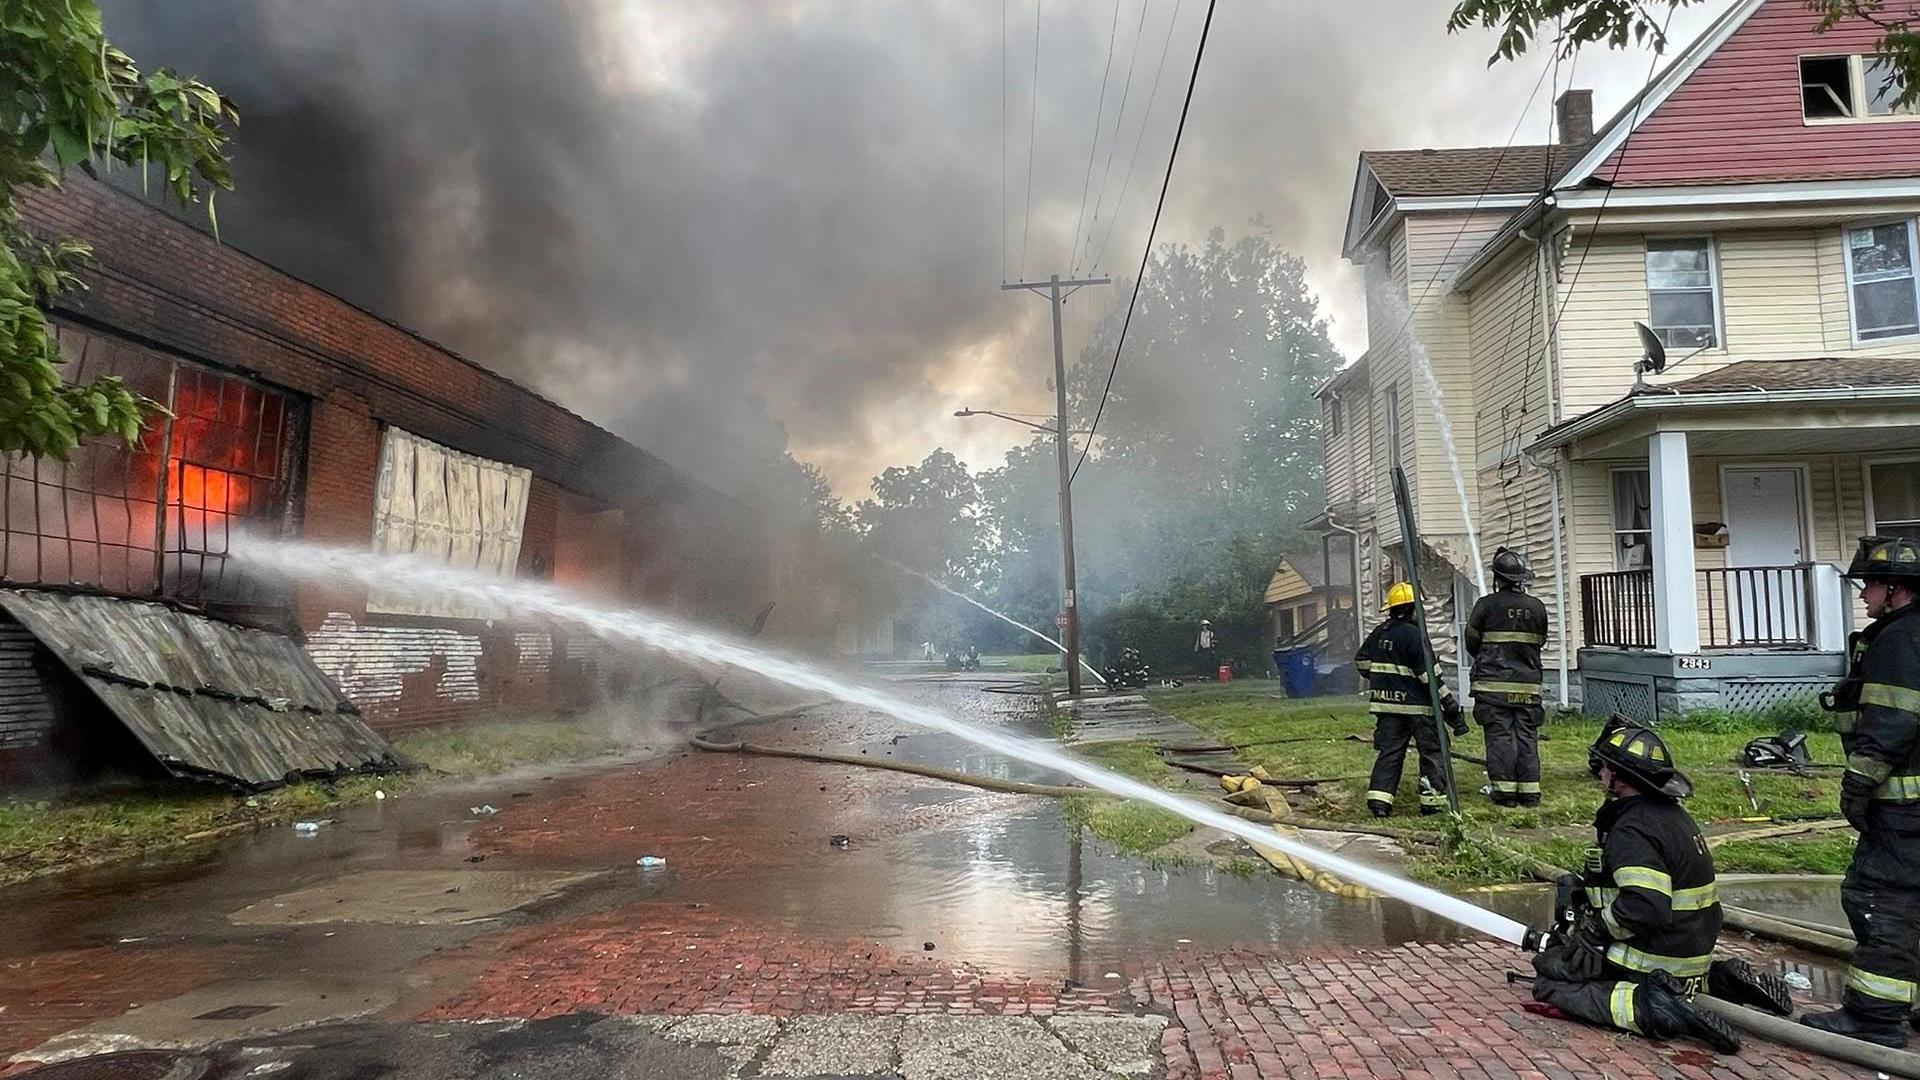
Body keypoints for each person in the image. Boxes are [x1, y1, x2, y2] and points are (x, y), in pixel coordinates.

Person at [1529, 723, 1789, 1053]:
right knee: (1560, 962)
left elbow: (1645, 906)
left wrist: (1594, 934)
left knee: (1550, 982)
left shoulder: (1631, 830)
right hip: (1690, 957)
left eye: (1607, 766)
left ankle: (1652, 1007)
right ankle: (1723, 981)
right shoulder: (1671, 816)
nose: (1601, 772)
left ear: (1619, 778)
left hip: (1653, 959)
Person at [1803, 536, 1920, 1047]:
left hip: (1905, 808)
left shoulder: (1898, 641)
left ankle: (1875, 1016)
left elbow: (1892, 721)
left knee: (1882, 900)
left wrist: (1858, 783)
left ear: (1894, 588)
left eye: (1870, 583)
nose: (1863, 593)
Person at [1354, 582, 1465, 817]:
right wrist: (1450, 705)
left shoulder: (1379, 633)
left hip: (1386, 707)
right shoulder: (1415, 636)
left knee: (1390, 753)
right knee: (1433, 752)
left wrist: (1383, 678)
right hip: (1419, 709)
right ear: (1411, 608)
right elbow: (1430, 677)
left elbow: (1361, 662)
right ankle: (1432, 803)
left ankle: (1379, 803)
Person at [1465, 548, 1549, 807]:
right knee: (1526, 735)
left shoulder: (1486, 605)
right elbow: (1541, 641)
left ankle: (1503, 792)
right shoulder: (1537, 607)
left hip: (1492, 686)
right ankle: (1529, 792)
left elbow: (1472, 640)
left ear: (1498, 579)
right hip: (1528, 687)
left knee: (1500, 736)